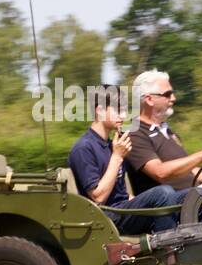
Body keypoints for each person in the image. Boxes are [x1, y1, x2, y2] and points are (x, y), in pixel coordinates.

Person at [67, 85, 192, 235]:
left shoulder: (111, 144)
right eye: (118, 109)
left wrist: (142, 201)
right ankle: (169, 252)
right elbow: (98, 197)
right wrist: (117, 157)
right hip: (106, 216)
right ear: (99, 111)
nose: (124, 115)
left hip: (124, 209)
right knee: (163, 193)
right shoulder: (83, 148)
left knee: (194, 196)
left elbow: (123, 193)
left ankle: (196, 249)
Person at [124, 69, 202, 196]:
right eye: (167, 94)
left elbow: (190, 172)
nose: (173, 98)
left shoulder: (168, 131)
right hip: (166, 206)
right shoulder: (134, 133)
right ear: (149, 99)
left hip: (191, 201)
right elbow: (160, 172)